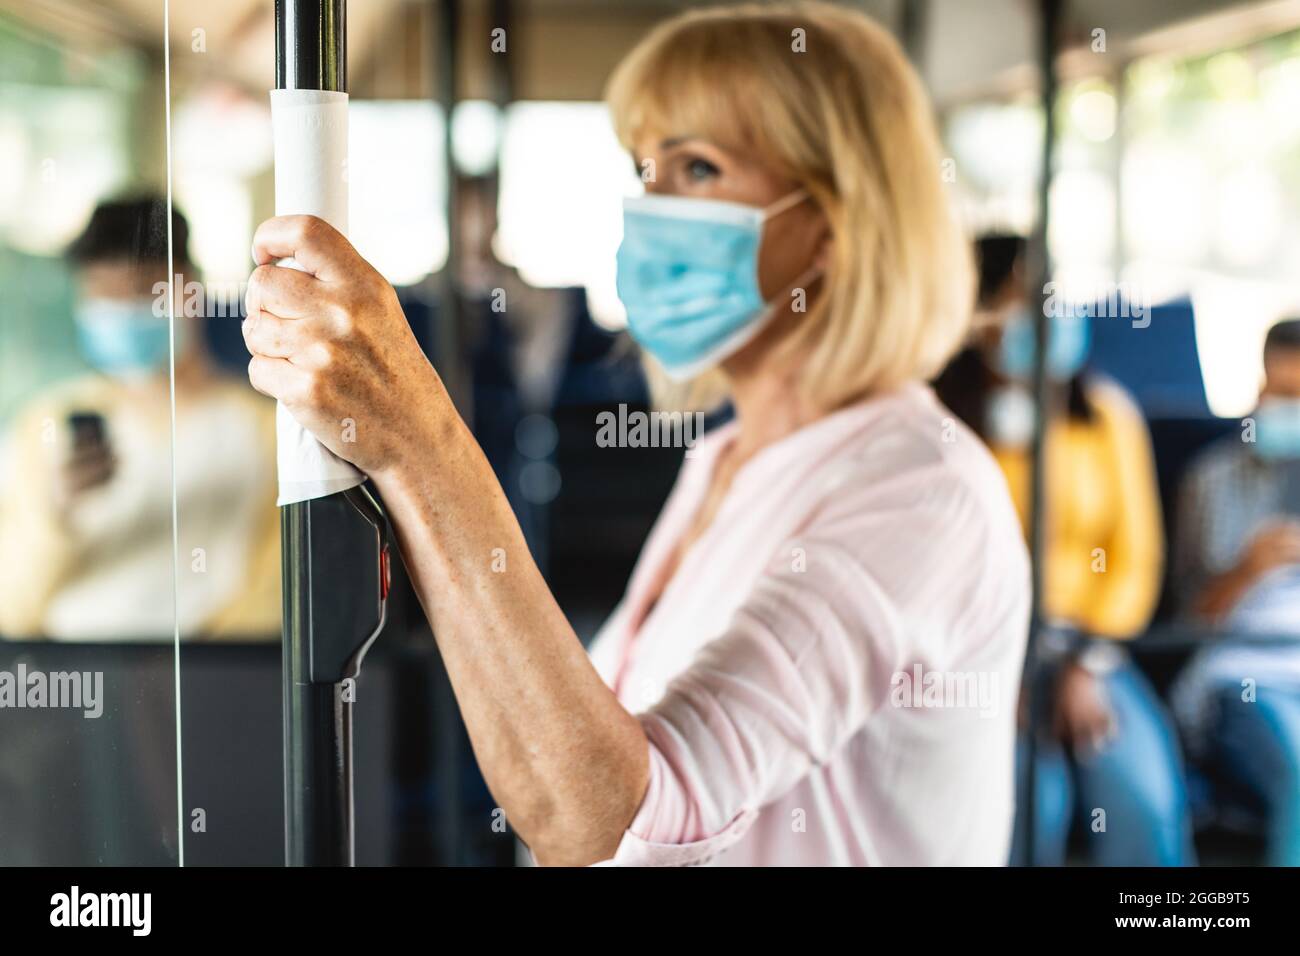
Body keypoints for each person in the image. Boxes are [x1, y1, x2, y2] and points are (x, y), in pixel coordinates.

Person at [241, 2, 1029, 866]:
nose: (650, 210)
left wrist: (417, 437)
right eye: (644, 168)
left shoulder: (922, 490)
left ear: (837, 226)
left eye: (697, 167)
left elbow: (617, 819)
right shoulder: (726, 459)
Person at [934, 235, 1195, 866]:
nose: (1043, 319)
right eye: (1020, 301)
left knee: (1140, 796)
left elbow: (1135, 560)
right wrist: (998, 668)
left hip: (1090, 650)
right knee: (1028, 804)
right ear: (978, 316)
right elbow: (936, 566)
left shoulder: (1106, 416)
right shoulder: (941, 423)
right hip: (975, 654)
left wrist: (1086, 662)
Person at [0, 196, 280, 640]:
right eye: (102, 293)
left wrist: (195, 674)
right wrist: (55, 517)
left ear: (190, 288)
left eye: (139, 289)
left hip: (215, 681)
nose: (119, 310)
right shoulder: (46, 425)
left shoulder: (268, 430)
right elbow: (13, 611)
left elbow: (277, 602)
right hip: (71, 682)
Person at [1172, 317, 1300, 865]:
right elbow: (1184, 623)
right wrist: (1246, 571)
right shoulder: (1212, 479)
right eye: (1281, 393)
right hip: (1249, 677)